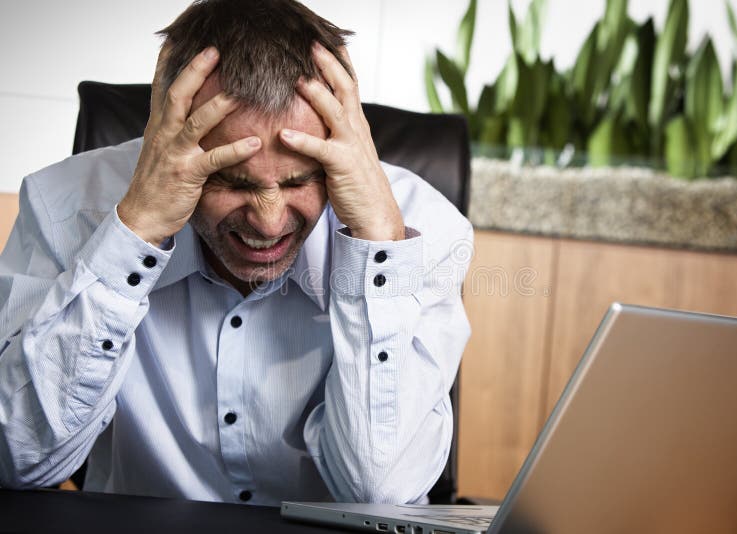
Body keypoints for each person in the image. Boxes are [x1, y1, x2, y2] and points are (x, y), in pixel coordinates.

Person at [0, 0, 472, 506]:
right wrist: (133, 232)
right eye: (227, 178)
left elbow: (382, 492)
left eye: (300, 179)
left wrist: (378, 243)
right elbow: (19, 461)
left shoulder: (422, 229)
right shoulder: (63, 208)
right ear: (163, 141)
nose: (268, 222)